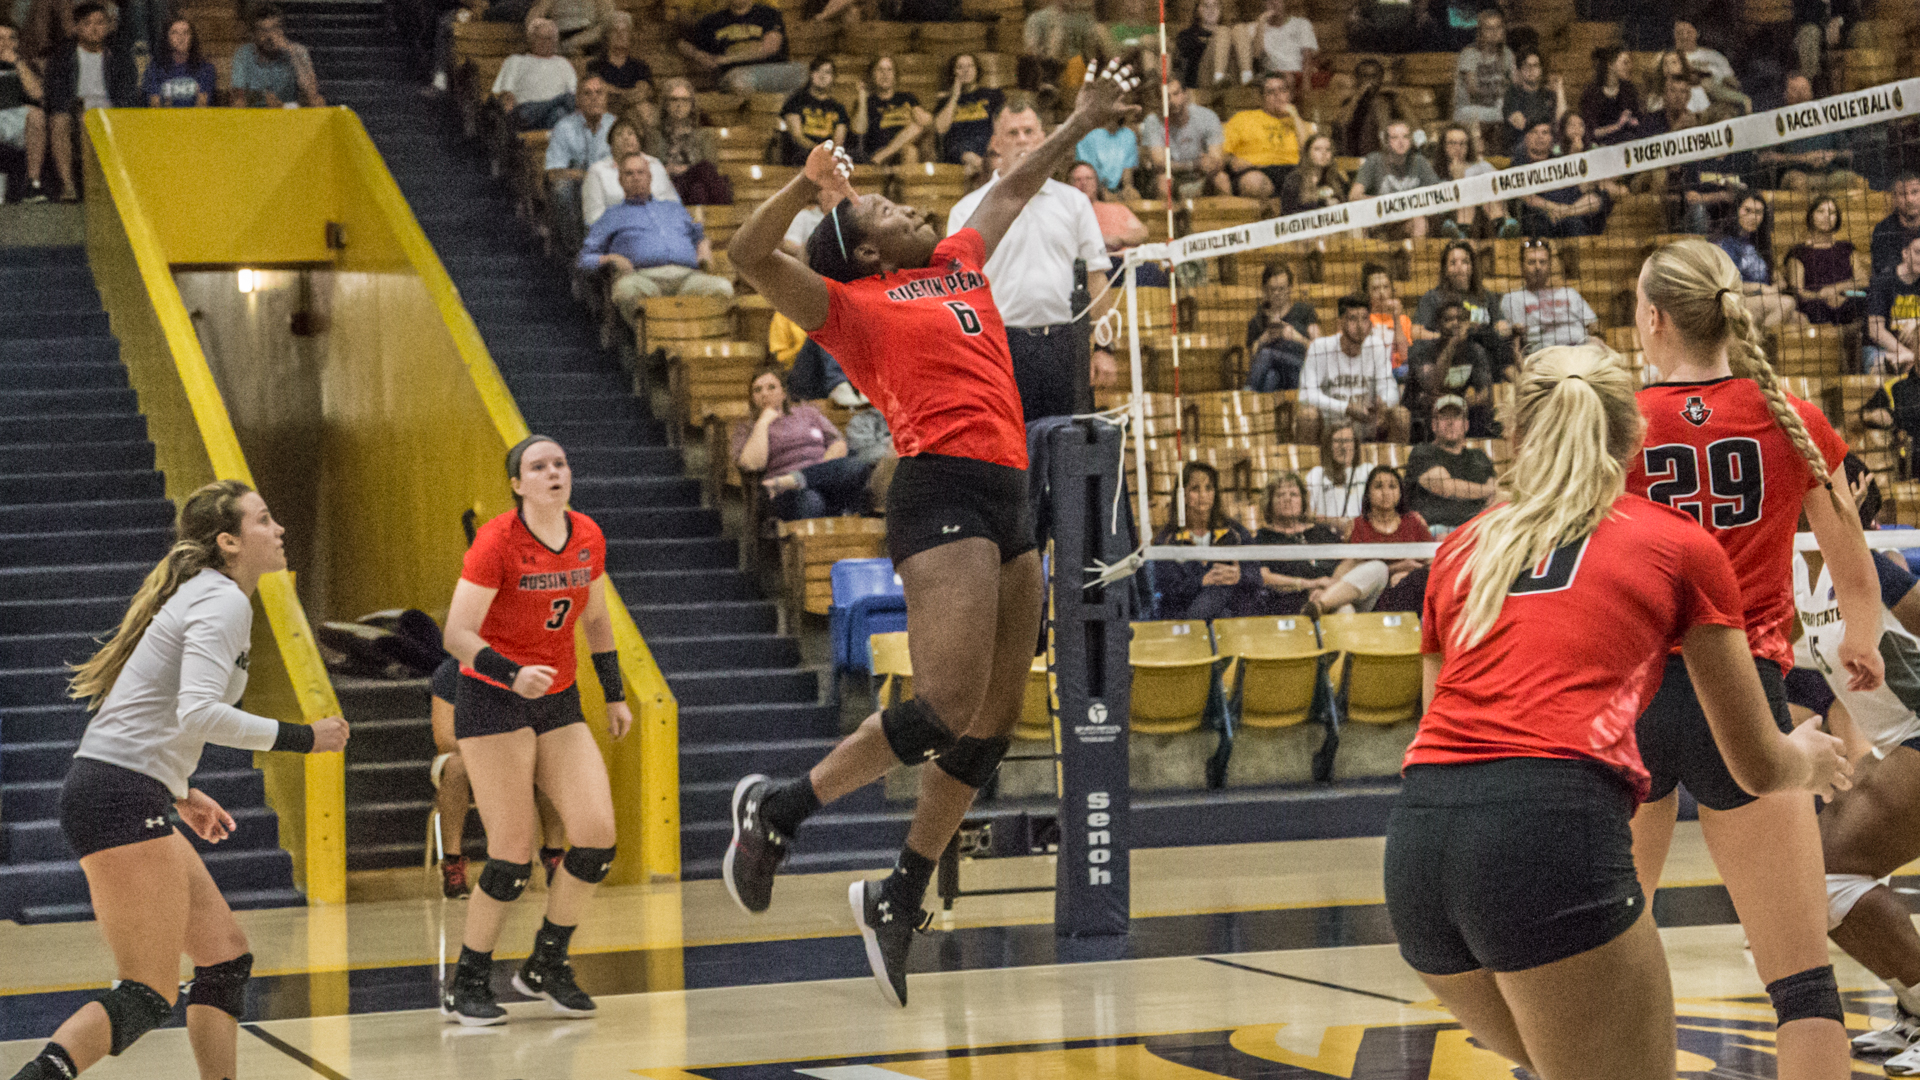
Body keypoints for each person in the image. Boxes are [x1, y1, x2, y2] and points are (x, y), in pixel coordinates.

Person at [720, 63, 1139, 1006]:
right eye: (886, 211)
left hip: (1008, 491)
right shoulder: (850, 308)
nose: (911, 208)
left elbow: (1017, 184)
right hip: (939, 488)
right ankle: (778, 810)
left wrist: (1081, 119)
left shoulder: (954, 261)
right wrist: (805, 184)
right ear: (867, 251)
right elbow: (749, 253)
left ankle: (899, 894)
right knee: (944, 704)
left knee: (990, 726)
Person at [1385, 344, 1851, 1080]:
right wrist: (1809, 759)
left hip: (1418, 849)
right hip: (1548, 825)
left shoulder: (1462, 550)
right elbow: (1760, 764)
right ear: (1635, 441)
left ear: (1513, 437)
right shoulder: (1678, 545)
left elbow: (1435, 724)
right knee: (1790, 991)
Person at [1624, 237, 1882, 1080]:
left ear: (1653, 319)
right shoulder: (1790, 415)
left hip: (1627, 704)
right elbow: (1851, 564)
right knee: (1803, 986)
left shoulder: (1617, 421)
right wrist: (1859, 638)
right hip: (1747, 701)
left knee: (1606, 972)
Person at [8, 480, 350, 1080]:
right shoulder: (221, 601)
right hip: (116, 796)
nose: (278, 530)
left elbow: (153, 712)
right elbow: (197, 713)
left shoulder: (213, 596)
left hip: (128, 789)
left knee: (224, 958)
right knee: (146, 993)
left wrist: (179, 789)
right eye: (263, 520)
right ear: (229, 541)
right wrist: (305, 737)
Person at [438, 436, 630, 1026]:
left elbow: (596, 620)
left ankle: (547, 963)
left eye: (560, 463)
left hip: (557, 697)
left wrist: (615, 694)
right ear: (518, 484)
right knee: (512, 855)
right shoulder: (497, 541)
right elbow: (456, 634)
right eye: (538, 466)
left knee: (596, 839)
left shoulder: (588, 534)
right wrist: (511, 673)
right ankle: (468, 981)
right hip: (493, 697)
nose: (553, 472)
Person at [1787, 471, 1920, 1073]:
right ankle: (1914, 1009)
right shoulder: (1797, 573)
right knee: (1815, 877)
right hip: (1898, 743)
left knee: (1824, 872)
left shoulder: (1876, 569)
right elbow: (1780, 664)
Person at [947, 102, 1116, 420]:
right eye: (1013, 133)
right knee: (1010, 447)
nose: (1022, 140)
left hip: (1067, 345)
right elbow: (959, 297)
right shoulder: (966, 211)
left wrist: (1105, 348)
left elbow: (1096, 279)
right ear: (996, 143)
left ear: (1043, 138)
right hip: (1000, 349)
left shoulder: (1074, 202)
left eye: (1029, 131)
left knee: (1069, 444)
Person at [427, 656, 572, 898]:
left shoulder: (521, 669)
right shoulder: (450, 672)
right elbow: (444, 738)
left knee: (550, 762)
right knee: (455, 767)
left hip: (514, 752)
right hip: (467, 754)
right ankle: (452, 862)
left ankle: (554, 855)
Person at [578, 154, 733, 320]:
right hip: (642, 279)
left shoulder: (674, 208)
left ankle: (699, 335)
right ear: (620, 180)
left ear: (650, 177)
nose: (636, 177)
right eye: (629, 173)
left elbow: (698, 236)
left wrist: (703, 246)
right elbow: (584, 259)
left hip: (687, 277)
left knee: (722, 288)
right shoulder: (611, 215)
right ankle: (653, 336)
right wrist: (611, 258)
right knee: (626, 291)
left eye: (641, 172)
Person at [731, 366, 873, 519]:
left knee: (858, 465)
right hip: (786, 494)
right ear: (752, 398)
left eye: (771, 387)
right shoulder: (748, 428)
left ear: (783, 393)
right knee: (812, 501)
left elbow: (838, 443)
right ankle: (796, 482)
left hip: (823, 480)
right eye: (757, 390)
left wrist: (820, 472)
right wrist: (763, 422)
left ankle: (796, 479)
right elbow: (752, 464)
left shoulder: (808, 413)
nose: (764, 394)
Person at [39, 2, 136, 202]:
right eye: (88, 23)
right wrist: (77, 110)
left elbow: (127, 92)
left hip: (110, 112)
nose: (94, 28)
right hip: (76, 111)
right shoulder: (63, 55)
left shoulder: (119, 54)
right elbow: (55, 94)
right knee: (59, 121)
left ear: (108, 26)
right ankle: (68, 185)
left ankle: (114, 186)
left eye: (100, 23)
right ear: (76, 27)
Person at [1304, 465, 1429, 615]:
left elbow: (1433, 561)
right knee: (1375, 572)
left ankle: (1321, 603)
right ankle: (1318, 606)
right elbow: (1353, 567)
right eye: (1378, 486)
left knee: (1346, 606)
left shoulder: (1414, 522)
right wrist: (1398, 567)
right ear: (1368, 493)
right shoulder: (1359, 526)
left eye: (1392, 486)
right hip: (1368, 595)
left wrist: (1410, 575)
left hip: (1406, 594)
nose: (1386, 492)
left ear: (1400, 492)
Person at [1297, 294, 1408, 445]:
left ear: (1370, 323)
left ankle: (1393, 460)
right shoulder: (1320, 348)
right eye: (1353, 319)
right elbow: (1305, 395)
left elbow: (1390, 388)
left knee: (1401, 415)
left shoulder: (1376, 346)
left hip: (1367, 425)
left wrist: (1383, 401)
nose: (1360, 325)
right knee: (1307, 416)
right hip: (1330, 429)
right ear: (1340, 322)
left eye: (1364, 319)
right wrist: (1346, 408)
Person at [1149, 461, 1254, 621]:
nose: (1203, 495)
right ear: (1182, 495)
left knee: (1221, 593)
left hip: (1231, 617)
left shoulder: (1236, 533)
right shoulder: (1167, 538)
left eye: (1208, 488)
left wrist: (1239, 576)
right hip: (1181, 618)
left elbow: (1256, 576)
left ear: (1215, 493)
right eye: (1195, 489)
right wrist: (1203, 581)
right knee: (1218, 594)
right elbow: (1166, 588)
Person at [1247, 473, 1341, 616]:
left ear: (1303, 501)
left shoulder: (1322, 532)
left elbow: (1344, 565)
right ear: (1269, 503)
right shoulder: (1262, 538)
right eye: (1280, 495)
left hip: (1329, 597)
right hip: (1287, 604)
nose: (1287, 499)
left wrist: (1328, 588)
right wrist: (1311, 584)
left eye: (1294, 494)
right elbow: (1263, 576)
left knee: (1346, 608)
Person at [1406, 396, 1496, 535]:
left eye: (1456, 417)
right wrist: (1488, 490)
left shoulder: (1479, 456)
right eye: (1444, 417)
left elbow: (1495, 496)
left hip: (1474, 530)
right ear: (1434, 425)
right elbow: (1445, 487)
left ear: (1466, 425)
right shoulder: (1422, 452)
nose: (1450, 422)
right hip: (1434, 531)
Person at [1715, 193, 1803, 332]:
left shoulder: (1759, 242)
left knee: (1801, 320)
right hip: (1734, 301)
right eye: (1747, 210)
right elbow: (1726, 284)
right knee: (1786, 304)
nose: (1753, 217)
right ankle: (1757, 342)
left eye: (1758, 212)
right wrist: (1761, 288)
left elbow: (1768, 272)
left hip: (1763, 300)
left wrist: (1777, 280)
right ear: (1736, 211)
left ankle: (1758, 339)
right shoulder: (1725, 243)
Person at [678, 0, 804, 96]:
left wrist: (725, 59)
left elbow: (770, 47)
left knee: (801, 71)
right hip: (735, 75)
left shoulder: (768, 13)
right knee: (741, 80)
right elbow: (682, 43)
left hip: (771, 71)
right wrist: (698, 55)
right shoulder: (712, 21)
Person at [1760, 75, 1860, 194]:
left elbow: (1849, 153)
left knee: (1850, 179)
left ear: (1811, 93)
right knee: (1797, 182)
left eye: (1804, 90)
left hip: (1829, 175)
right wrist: (1802, 158)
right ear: (1785, 94)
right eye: (1795, 90)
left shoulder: (1827, 118)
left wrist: (1832, 155)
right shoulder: (1778, 122)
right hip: (1798, 175)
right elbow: (1765, 158)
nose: (1800, 95)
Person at [1415, 240, 1510, 360]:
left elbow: (1501, 325)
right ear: (1445, 270)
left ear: (1472, 267)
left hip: (1486, 353)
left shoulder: (1485, 296)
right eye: (1453, 263)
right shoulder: (1433, 297)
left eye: (1465, 262)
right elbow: (1416, 332)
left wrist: (1505, 331)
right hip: (1448, 356)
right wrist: (1445, 338)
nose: (1459, 267)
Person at [1500, 239, 1599, 355]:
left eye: (1542, 262)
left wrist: (1596, 339)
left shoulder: (1570, 293)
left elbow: (1593, 325)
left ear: (1550, 265)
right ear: (1521, 266)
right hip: (1544, 354)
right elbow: (1514, 338)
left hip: (1581, 350)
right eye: (1531, 262)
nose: (1538, 267)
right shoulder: (1513, 298)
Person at [545, 76, 615, 239]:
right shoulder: (564, 127)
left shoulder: (616, 125)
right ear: (578, 100)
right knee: (561, 187)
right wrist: (585, 175)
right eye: (587, 93)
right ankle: (575, 248)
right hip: (577, 187)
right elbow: (553, 173)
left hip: (609, 183)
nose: (594, 98)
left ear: (606, 98)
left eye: (599, 93)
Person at [1220, 74, 1311, 200]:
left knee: (1310, 181)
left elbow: (1309, 152)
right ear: (1262, 98)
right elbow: (1221, 152)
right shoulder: (1243, 119)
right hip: (1257, 170)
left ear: (1289, 95)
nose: (1278, 95)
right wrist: (1231, 161)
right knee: (1254, 182)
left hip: (1292, 170)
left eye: (1282, 90)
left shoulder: (1301, 124)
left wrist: (1294, 116)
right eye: (1271, 92)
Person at [1408, 305, 1494, 437]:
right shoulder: (1425, 351)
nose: (1456, 323)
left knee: (1479, 413)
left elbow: (1486, 394)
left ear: (1468, 323)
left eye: (1461, 319)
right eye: (1449, 319)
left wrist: (1471, 400)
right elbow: (1432, 386)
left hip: (1459, 408)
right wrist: (1452, 343)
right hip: (1425, 412)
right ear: (1438, 325)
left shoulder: (1475, 351)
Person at [1514, 120, 1605, 239]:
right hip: (1541, 216)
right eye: (1534, 132)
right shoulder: (1519, 164)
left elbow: (1585, 190)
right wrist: (1554, 208)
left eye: (1545, 132)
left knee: (1596, 200)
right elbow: (1526, 196)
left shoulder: (1562, 161)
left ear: (1552, 139)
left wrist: (1566, 211)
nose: (1539, 137)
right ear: (1526, 138)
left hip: (1571, 212)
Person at [1350, 121, 1440, 239]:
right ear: (1386, 142)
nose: (1401, 142)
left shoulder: (1420, 162)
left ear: (1411, 140)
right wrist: (1388, 204)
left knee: (1419, 220)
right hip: (1381, 221)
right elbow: (1354, 195)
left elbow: (1438, 194)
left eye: (1405, 137)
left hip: (1408, 221)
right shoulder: (1374, 160)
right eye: (1395, 138)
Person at [1141, 76, 1226, 199]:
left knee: (1222, 179)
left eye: (1176, 94)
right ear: (1160, 101)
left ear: (1185, 94)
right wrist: (1194, 165)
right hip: (1172, 178)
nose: (1172, 101)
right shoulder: (1152, 121)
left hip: (1201, 178)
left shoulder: (1207, 117)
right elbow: (1160, 164)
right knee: (1163, 181)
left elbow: (1217, 160)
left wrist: (1211, 164)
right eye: (1166, 97)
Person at [583, 118, 677, 227]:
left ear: (639, 140)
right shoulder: (597, 171)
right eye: (619, 134)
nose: (626, 138)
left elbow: (674, 205)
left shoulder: (655, 165)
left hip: (660, 228)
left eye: (630, 133)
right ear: (611, 144)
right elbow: (593, 218)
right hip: (619, 231)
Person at [647, 78, 728, 205]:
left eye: (685, 100)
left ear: (691, 105)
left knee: (699, 185)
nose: (679, 105)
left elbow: (711, 168)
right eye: (674, 100)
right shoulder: (654, 136)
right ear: (666, 104)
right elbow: (649, 169)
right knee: (700, 174)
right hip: (669, 184)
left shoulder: (704, 135)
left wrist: (687, 169)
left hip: (695, 185)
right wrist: (668, 169)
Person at [1244, 259, 1318, 393]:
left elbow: (1319, 349)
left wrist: (1296, 337)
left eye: (1281, 289)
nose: (1277, 293)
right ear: (1265, 290)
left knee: (1267, 354)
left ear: (1290, 288)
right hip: (1275, 376)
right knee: (1271, 377)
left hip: (1299, 370)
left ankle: (1248, 393)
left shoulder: (1305, 311)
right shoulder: (1258, 320)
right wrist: (1264, 338)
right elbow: (1252, 359)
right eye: (1273, 289)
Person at [229, 5, 323, 109]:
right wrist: (261, 98)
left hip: (289, 112)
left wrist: (292, 53)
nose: (269, 36)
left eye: (274, 28)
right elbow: (237, 97)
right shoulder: (244, 54)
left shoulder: (298, 51)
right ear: (254, 34)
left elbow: (312, 95)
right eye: (262, 30)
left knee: (319, 102)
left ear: (282, 30)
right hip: (256, 113)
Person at [1431, 123, 1513, 239]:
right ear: (1444, 146)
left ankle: (1503, 227)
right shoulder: (1435, 172)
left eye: (1462, 143)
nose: (1458, 148)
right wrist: (1457, 178)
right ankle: (1461, 232)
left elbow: (1501, 183)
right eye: (1452, 143)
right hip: (1452, 214)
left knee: (1490, 188)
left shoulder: (1481, 166)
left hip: (1486, 213)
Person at [491, 18, 574, 129]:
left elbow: (574, 94)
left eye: (549, 39)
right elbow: (506, 95)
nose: (545, 43)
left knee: (560, 113)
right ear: (531, 39)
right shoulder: (515, 61)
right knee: (564, 100)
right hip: (526, 112)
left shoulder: (564, 63)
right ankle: (558, 100)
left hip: (552, 116)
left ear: (555, 41)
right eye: (540, 38)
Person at [0, 21, 49, 203]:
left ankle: (32, 184)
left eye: (11, 38)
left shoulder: (23, 63)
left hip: (13, 121)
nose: (6, 43)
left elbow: (37, 93)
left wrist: (17, 63)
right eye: (0, 39)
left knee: (36, 115)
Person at [932, 53, 1003, 179]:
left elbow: (1001, 126)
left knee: (973, 165)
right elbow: (940, 129)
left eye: (970, 66)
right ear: (953, 72)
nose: (966, 70)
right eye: (960, 67)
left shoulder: (992, 95)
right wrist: (955, 96)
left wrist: (989, 153)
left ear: (977, 70)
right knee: (965, 156)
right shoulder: (946, 102)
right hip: (957, 153)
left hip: (985, 149)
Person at [1450, 7, 1513, 143]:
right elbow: (1473, 91)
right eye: (1489, 28)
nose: (1494, 32)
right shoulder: (1469, 54)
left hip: (1496, 108)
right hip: (1469, 110)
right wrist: (1503, 95)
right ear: (1481, 32)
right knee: (1505, 113)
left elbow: (1515, 84)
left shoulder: (1507, 54)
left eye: (1498, 27)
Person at [853, 56, 929, 167]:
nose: (885, 74)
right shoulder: (868, 102)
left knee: (911, 147)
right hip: (877, 150)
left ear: (895, 75)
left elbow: (926, 122)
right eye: (880, 70)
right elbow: (859, 131)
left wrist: (921, 116)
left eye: (889, 70)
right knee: (911, 148)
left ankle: (885, 154)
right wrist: (862, 97)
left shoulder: (907, 98)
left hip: (894, 153)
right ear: (872, 75)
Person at [1232, 0, 1315, 96]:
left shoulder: (1300, 25)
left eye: (1278, 1)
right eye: (1269, 2)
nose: (1274, 4)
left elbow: (1307, 55)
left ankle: (1287, 102)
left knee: (1288, 76)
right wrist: (1261, 23)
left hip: (1289, 69)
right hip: (1266, 69)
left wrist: (1306, 82)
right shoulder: (1256, 26)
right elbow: (1257, 55)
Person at [780, 58, 851, 167]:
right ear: (811, 74)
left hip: (827, 159)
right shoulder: (795, 101)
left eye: (827, 72)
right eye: (818, 70)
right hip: (800, 156)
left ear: (833, 77)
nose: (822, 76)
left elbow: (838, 142)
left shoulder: (838, 108)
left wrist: (827, 155)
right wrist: (819, 152)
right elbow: (797, 136)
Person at [585, 12, 653, 124]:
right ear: (607, 36)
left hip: (633, 113)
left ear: (630, 36)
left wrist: (615, 92)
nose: (620, 35)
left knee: (645, 110)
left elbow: (643, 91)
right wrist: (628, 94)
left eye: (624, 31)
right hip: (605, 112)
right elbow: (598, 90)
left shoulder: (640, 66)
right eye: (615, 31)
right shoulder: (595, 65)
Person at [1866, 234, 1920, 375]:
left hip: (1916, 350)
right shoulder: (1882, 281)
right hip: (1883, 349)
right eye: (1918, 252)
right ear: (1905, 253)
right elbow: (1875, 331)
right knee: (1881, 365)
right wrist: (1909, 355)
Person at [1336, 57, 1408, 159]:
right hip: (1356, 156)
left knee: (1379, 102)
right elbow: (1341, 124)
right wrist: (1358, 95)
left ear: (1381, 78)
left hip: (1387, 156)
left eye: (1374, 76)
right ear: (1357, 79)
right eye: (1365, 76)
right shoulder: (1351, 102)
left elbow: (1415, 125)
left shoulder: (1392, 99)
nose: (1369, 81)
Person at [1672, 18, 1748, 113]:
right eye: (1680, 33)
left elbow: (1731, 79)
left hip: (1722, 99)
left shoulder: (1714, 55)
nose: (1685, 36)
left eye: (1689, 32)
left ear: (1696, 33)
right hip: (1691, 102)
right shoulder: (1672, 59)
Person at [1304, 422, 1366, 532]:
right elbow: (1308, 516)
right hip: (1327, 533)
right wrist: (1333, 522)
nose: (1343, 447)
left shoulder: (1367, 471)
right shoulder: (1317, 474)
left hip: (1360, 533)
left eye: (1348, 441)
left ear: (1355, 445)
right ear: (1328, 446)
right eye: (1337, 441)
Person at [1500, 49, 1564, 156]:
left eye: (1535, 65)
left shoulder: (1547, 93)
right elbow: (1521, 124)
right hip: (1521, 147)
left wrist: (1559, 89)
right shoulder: (1512, 94)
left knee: (1562, 147)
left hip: (1548, 144)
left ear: (1541, 69)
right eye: (1526, 66)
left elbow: (1561, 121)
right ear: (1520, 70)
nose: (1531, 70)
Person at [1172, 0, 1247, 91]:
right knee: (1223, 31)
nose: (1211, 10)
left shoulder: (1231, 33)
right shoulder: (1188, 35)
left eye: (1215, 5)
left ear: (1221, 8)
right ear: (1198, 9)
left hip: (1231, 76)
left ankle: (1247, 77)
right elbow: (1186, 66)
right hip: (1203, 79)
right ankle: (1219, 79)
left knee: (1239, 28)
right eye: (1206, 6)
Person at [142, 17, 215, 107]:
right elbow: (155, 104)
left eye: (186, 33)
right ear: (167, 38)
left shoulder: (205, 68)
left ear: (192, 37)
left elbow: (202, 104)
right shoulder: (154, 69)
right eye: (175, 33)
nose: (181, 38)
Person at [1579, 46, 1640, 146]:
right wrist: (1617, 126)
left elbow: (1638, 119)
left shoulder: (1629, 90)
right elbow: (1590, 131)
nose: (1630, 67)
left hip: (1627, 144)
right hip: (1602, 146)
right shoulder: (1592, 93)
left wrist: (1631, 121)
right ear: (1611, 65)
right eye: (1625, 63)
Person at [1278, 133, 1348, 216]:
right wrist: (1322, 204)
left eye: (1328, 149)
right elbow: (1288, 213)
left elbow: (1347, 205)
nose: (1323, 153)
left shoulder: (1336, 179)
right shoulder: (1295, 180)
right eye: (1317, 149)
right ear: (1308, 153)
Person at [1362, 261, 1417, 364]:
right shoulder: (1363, 320)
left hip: (1399, 370)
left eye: (1386, 287)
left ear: (1392, 289)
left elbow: (1404, 355)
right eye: (1375, 288)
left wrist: (1396, 319)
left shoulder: (1403, 320)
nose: (1382, 292)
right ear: (1367, 293)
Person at [1074, 109, 1139, 197]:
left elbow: (1127, 171)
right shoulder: (1088, 136)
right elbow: (1087, 173)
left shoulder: (1128, 135)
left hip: (1117, 191)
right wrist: (1102, 193)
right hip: (1093, 190)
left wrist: (1128, 188)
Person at [1870, 173, 1920, 278]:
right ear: (1895, 199)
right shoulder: (1883, 230)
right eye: (1902, 194)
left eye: (1915, 192)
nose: (1909, 199)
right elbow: (1882, 272)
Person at [524, 0, 613, 54]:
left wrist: (580, 41)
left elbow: (607, 21)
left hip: (587, 40)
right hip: (556, 39)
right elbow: (535, 17)